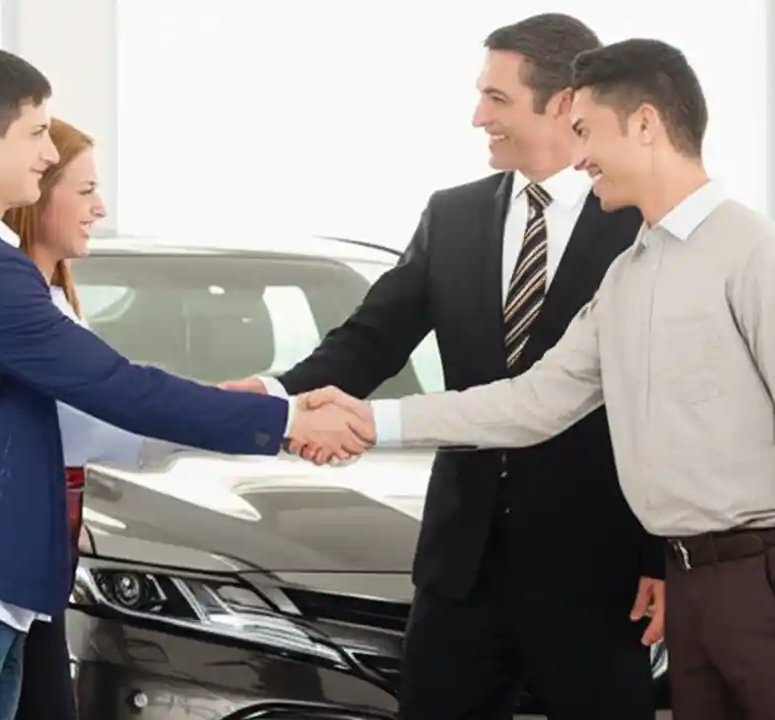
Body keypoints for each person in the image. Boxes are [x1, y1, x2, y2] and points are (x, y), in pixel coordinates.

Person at [302, 38, 775, 720]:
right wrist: (370, 420)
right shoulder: (629, 275)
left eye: (587, 133)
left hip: (770, 583)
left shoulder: (763, 257)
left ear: (645, 125)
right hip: (691, 588)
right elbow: (535, 402)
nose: (579, 157)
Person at [0, 45, 371, 720]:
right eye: (34, 133)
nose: (43, 153)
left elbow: (43, 414)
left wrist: (261, 402)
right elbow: (116, 388)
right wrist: (290, 422)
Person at [225, 15, 663, 719]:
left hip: (600, 569)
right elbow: (373, 338)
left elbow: (665, 402)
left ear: (560, 103)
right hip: (463, 567)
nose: (476, 117)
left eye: (496, 99)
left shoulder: (640, 224)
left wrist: (659, 554)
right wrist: (275, 397)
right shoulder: (453, 215)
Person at [2, 116, 172, 720]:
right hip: (13, 579)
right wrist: (262, 419)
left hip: (41, 578)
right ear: (37, 197)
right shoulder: (19, 311)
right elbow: (99, 413)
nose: (100, 208)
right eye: (85, 190)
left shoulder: (55, 305)